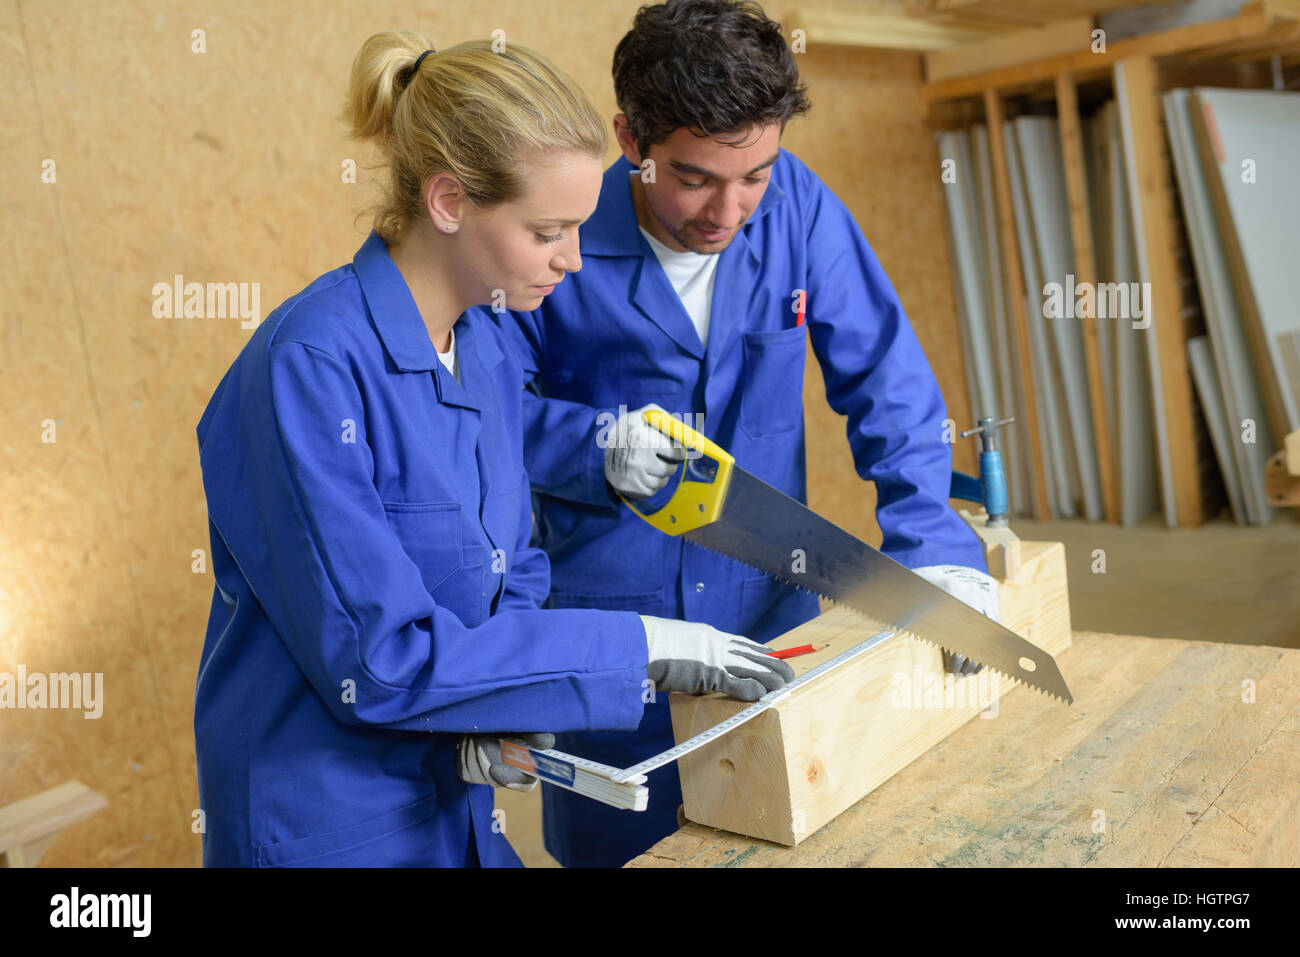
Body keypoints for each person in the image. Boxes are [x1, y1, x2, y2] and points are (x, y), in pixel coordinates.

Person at [193, 30, 791, 868]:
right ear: (449, 202)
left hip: (453, 804)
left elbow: (513, 574)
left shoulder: (483, 351)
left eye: (580, 227)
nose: (574, 259)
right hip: (328, 829)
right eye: (549, 229)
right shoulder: (310, 367)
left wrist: (489, 724)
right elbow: (381, 655)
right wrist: (641, 645)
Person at [481, 0, 1002, 868]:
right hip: (620, 652)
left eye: (753, 173)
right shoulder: (553, 236)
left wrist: (934, 543)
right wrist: (592, 444)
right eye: (693, 177)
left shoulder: (797, 207)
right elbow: (486, 422)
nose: (730, 210)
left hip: (773, 618)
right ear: (630, 139)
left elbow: (890, 385)